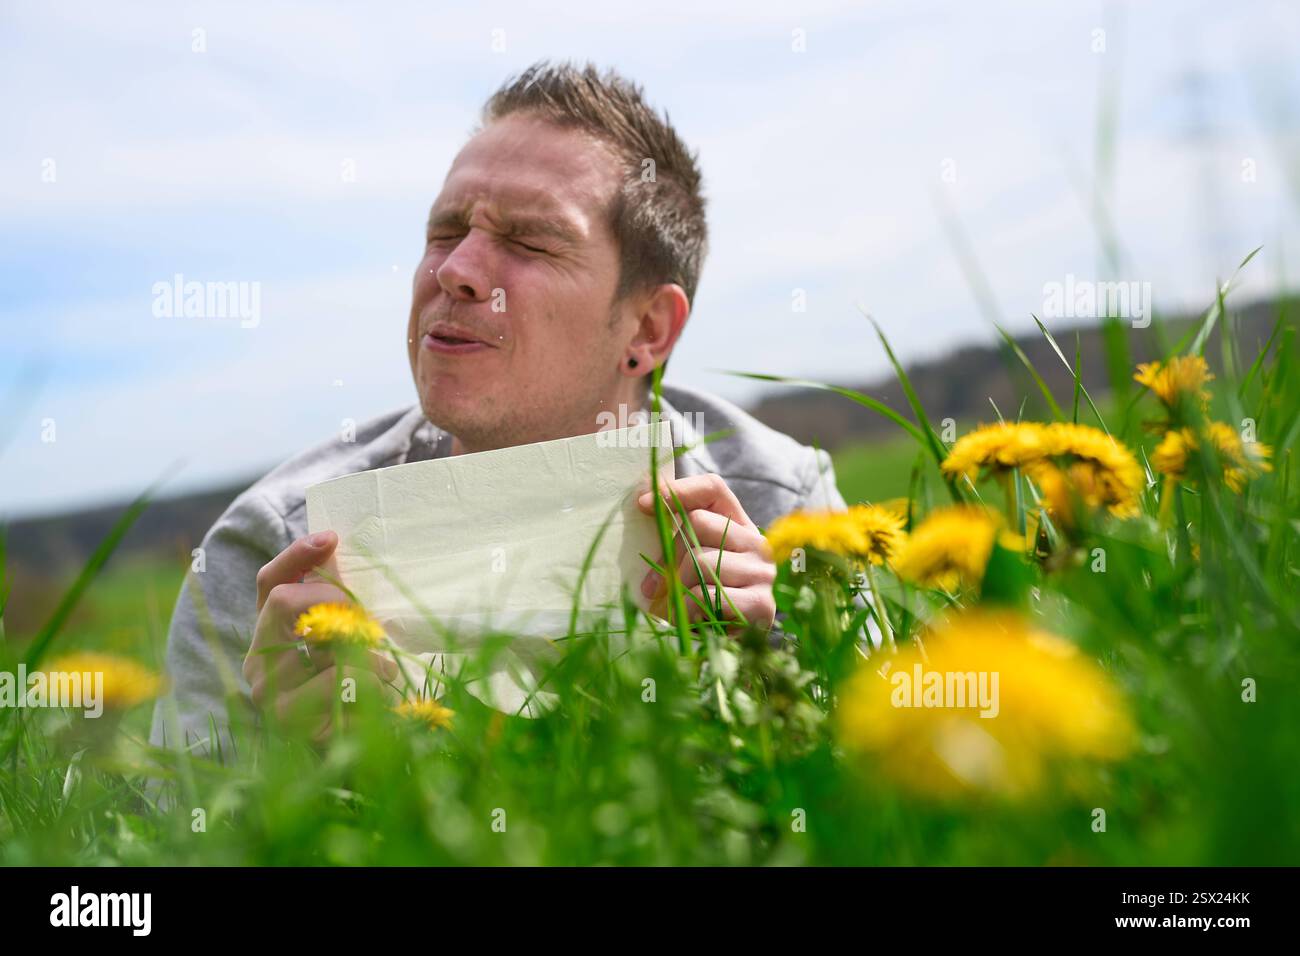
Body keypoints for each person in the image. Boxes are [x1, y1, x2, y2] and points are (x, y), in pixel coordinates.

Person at [148, 60, 848, 753]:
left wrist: (761, 663)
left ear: (646, 330)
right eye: (446, 233)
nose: (454, 272)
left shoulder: (778, 508)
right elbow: (166, 837)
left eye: (529, 241)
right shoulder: (273, 547)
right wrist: (297, 762)